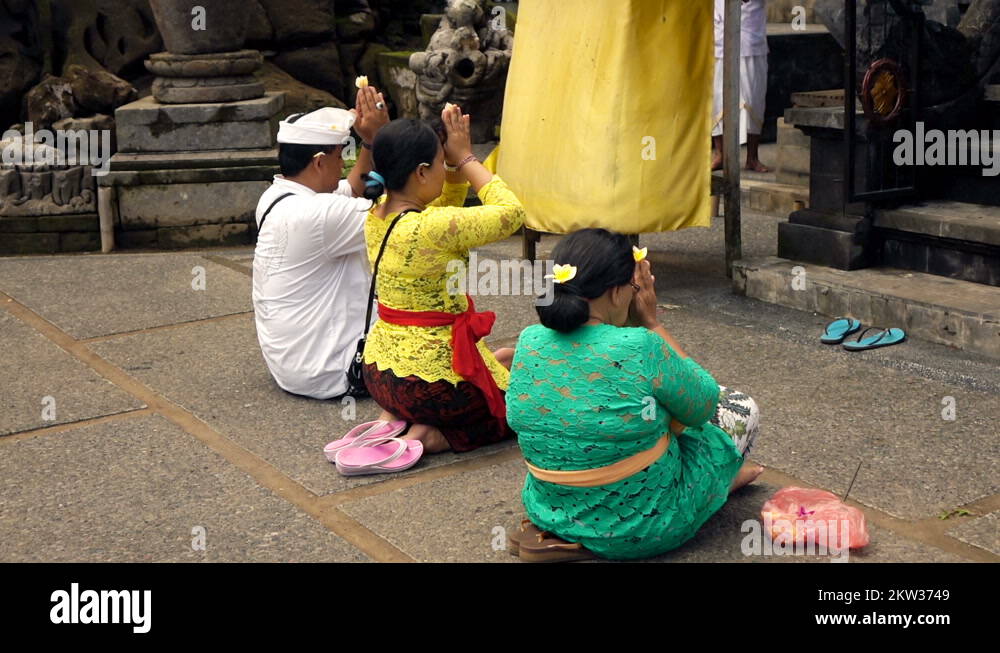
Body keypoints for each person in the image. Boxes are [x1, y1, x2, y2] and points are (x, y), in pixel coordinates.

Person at [505, 229, 764, 561]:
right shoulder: (642, 345)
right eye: (631, 288)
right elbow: (703, 403)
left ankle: (573, 530)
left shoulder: (529, 340)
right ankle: (715, 488)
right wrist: (652, 323)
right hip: (643, 527)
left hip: (551, 510)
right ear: (616, 293)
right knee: (739, 408)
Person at [357, 105, 525, 454]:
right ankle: (432, 436)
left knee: (503, 361)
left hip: (381, 377)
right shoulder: (432, 227)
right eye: (438, 162)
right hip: (430, 389)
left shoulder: (376, 216)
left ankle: (395, 418)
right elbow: (512, 214)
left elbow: (440, 205)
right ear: (421, 172)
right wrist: (465, 158)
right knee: (520, 409)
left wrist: (448, 167)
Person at [252, 87, 390, 398]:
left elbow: (354, 189)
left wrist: (368, 143)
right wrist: (387, 139)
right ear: (318, 163)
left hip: (295, 366)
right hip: (332, 370)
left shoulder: (276, 198)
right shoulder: (318, 214)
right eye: (340, 156)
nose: (343, 165)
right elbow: (402, 216)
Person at [712, 0, 771, 172]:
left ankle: (752, 158)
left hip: (752, 41)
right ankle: (720, 155)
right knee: (718, 98)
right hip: (720, 40)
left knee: (754, 98)